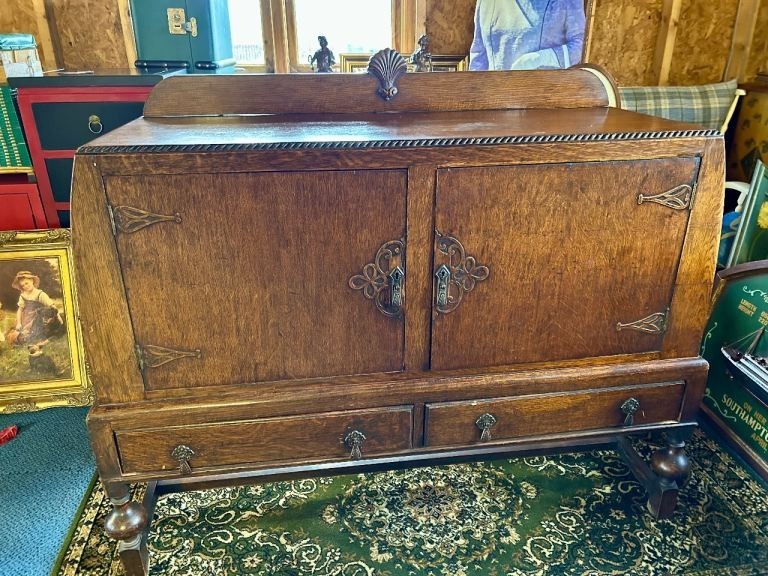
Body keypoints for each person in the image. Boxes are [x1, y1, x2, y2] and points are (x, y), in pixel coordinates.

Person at [469, 0, 586, 71]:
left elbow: (582, 45)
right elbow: (479, 56)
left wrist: (539, 60)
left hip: (543, 97)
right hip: (496, 99)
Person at [6, 270, 62, 346]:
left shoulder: (40, 294)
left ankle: (27, 336)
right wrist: (19, 322)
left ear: (32, 280)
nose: (25, 286)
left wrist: (59, 318)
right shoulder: (23, 295)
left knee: (32, 333)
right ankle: (19, 336)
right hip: (26, 317)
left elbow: (52, 307)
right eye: (23, 285)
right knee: (17, 331)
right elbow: (20, 309)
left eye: (26, 283)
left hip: (37, 317)